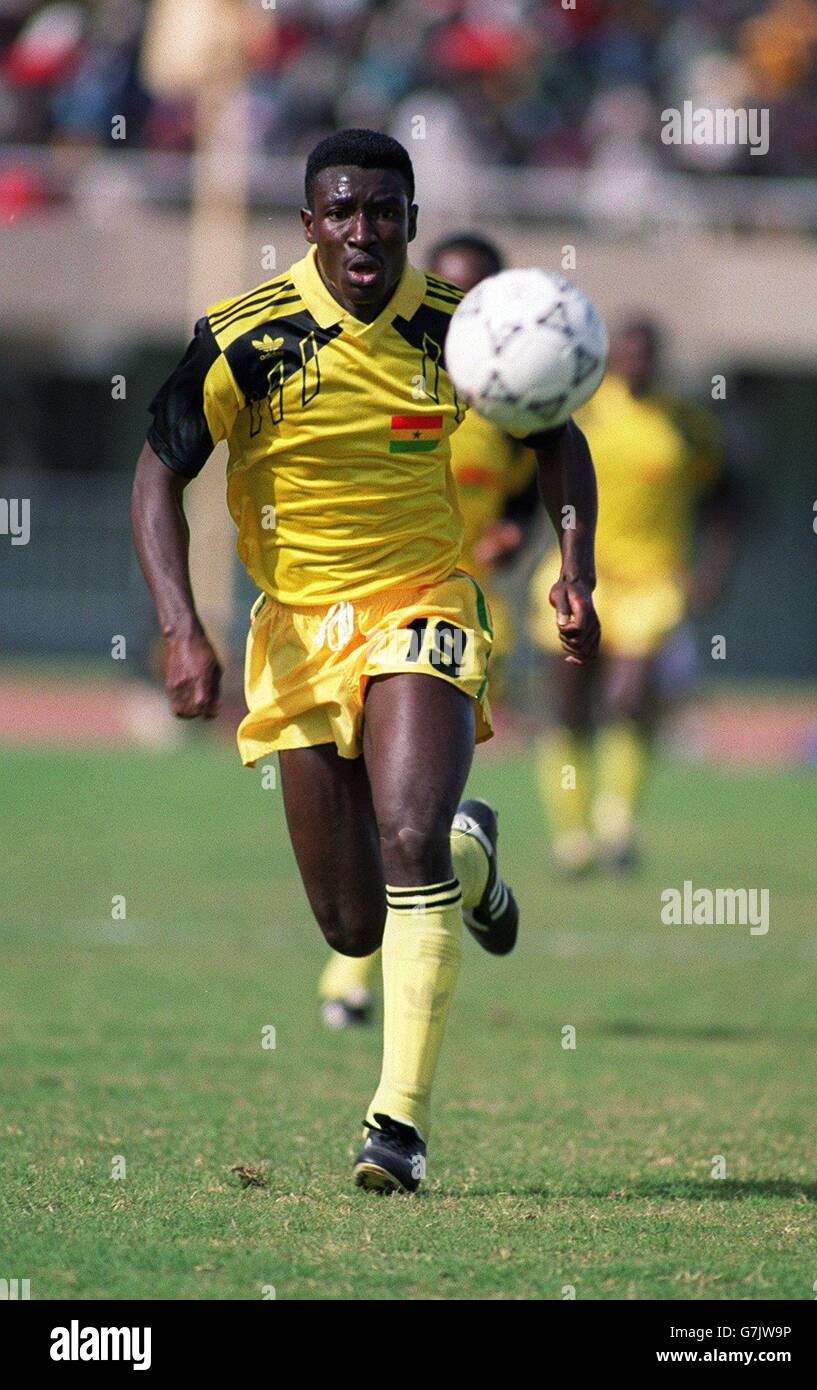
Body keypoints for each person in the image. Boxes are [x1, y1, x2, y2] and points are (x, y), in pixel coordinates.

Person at [131, 128, 599, 1193]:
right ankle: (475, 862)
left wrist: (575, 566)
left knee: (405, 830)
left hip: (424, 600)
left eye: (383, 210)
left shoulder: (454, 328)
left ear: (411, 221)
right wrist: (178, 624)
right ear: (307, 225)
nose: (362, 230)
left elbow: (555, 438)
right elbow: (156, 477)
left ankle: (398, 1125)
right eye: (340, 211)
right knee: (350, 918)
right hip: (296, 629)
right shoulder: (243, 338)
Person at [318, 230, 540, 1031]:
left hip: (452, 613)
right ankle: (471, 866)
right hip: (344, 615)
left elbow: (537, 477)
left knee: (400, 812)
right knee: (360, 816)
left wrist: (517, 532)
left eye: (475, 294)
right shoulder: (364, 374)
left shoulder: (505, 401)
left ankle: (350, 977)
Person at [530, 317, 732, 873]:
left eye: (647, 353)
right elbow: (538, 474)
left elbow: (723, 499)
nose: (637, 362)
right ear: (612, 356)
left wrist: (711, 571)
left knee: (626, 699)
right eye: (628, 352)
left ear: (658, 358)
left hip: (652, 583)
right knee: (569, 705)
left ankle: (616, 825)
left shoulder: (686, 424)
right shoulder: (583, 410)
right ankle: (571, 838)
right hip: (577, 573)